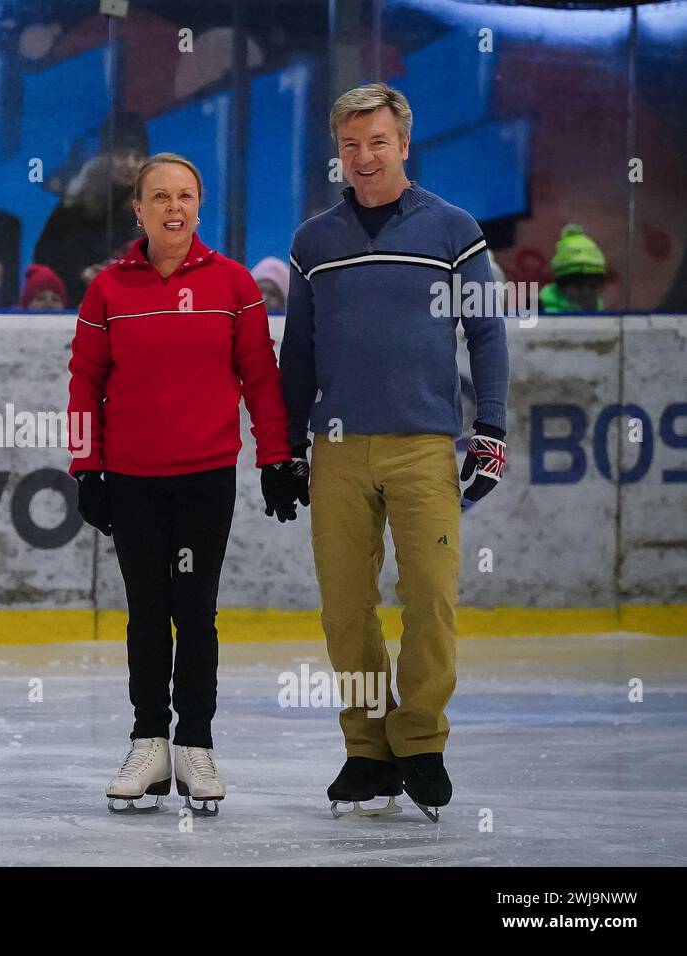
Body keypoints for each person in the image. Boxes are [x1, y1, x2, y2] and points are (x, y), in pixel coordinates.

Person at [279, 83, 509, 822]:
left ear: (404, 144)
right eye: (350, 145)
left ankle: (420, 742)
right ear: (337, 153)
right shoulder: (314, 242)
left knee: (432, 599)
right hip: (337, 451)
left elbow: (487, 334)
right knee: (346, 610)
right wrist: (285, 449)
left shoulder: (454, 230)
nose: (364, 156)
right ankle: (367, 751)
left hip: (423, 447)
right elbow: (299, 352)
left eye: (378, 142)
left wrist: (493, 433)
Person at [67, 151, 305, 814]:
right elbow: (84, 381)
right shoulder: (109, 289)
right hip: (134, 481)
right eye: (160, 197)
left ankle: (195, 744)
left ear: (200, 207)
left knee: (195, 614)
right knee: (147, 614)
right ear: (138, 209)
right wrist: (86, 466)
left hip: (205, 479)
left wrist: (277, 460)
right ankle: (150, 744)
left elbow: (260, 378)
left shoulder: (233, 286)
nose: (174, 208)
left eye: (186, 197)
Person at [34, 113, 150, 308]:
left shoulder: (154, 213)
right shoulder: (73, 205)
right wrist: (81, 275)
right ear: (105, 159)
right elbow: (44, 263)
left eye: (138, 157)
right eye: (122, 155)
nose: (130, 164)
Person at [540, 224, 606, 313]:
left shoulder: (601, 312)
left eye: (592, 286)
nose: (586, 293)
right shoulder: (540, 311)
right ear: (561, 287)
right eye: (578, 286)